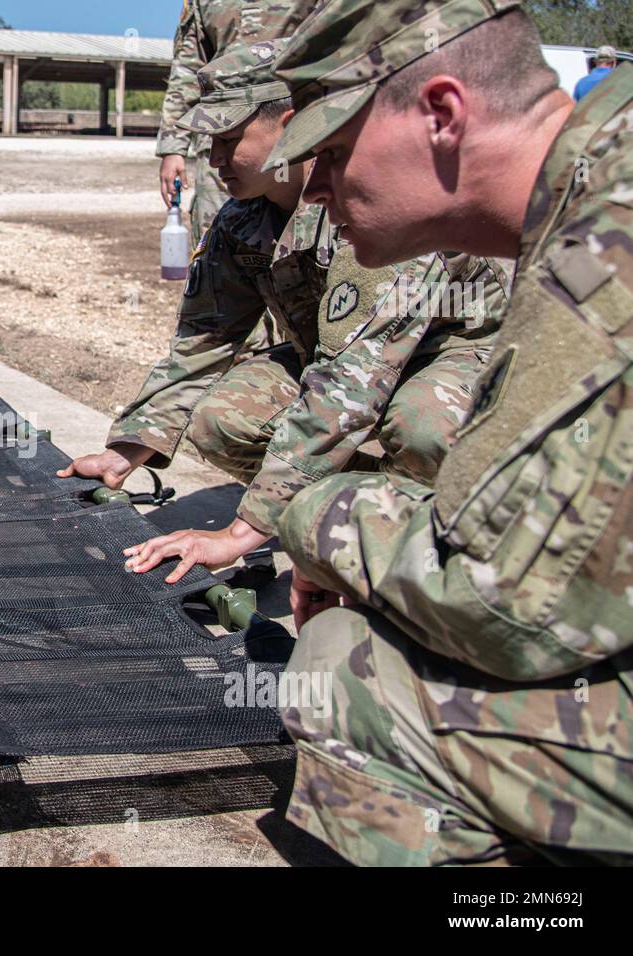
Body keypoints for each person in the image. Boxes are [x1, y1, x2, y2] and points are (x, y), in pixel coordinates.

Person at [263, 0, 633, 864]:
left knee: (345, 668)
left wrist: (317, 518)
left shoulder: (605, 247)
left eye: (333, 152)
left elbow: (511, 612)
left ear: (441, 114)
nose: (315, 190)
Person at [62, 40, 505, 582]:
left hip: (449, 357)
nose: (216, 160)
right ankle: (350, 504)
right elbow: (205, 340)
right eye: (209, 143)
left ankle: (449, 527)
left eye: (229, 140)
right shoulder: (241, 219)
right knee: (221, 420)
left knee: (421, 427)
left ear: (292, 124)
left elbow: (352, 384)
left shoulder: (371, 201)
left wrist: (241, 533)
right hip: (334, 359)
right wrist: (127, 452)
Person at [156, 1, 310, 246]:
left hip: (288, 128)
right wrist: (173, 146)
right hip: (219, 131)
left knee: (308, 230)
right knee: (220, 237)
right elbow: (187, 67)